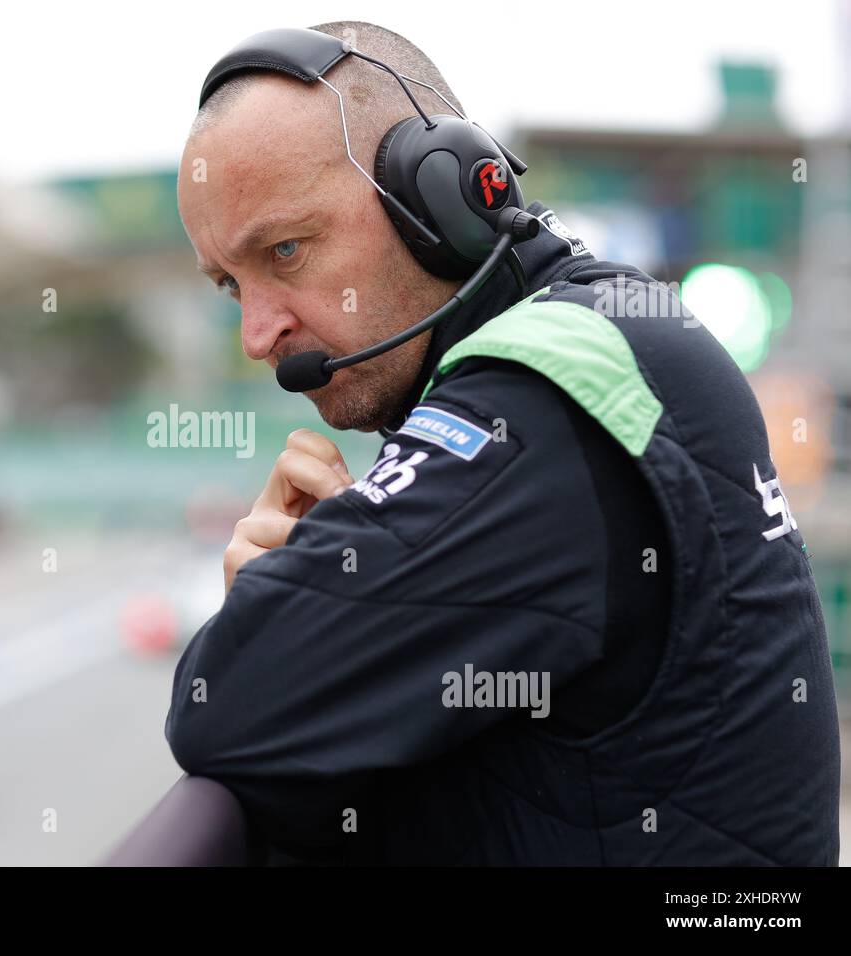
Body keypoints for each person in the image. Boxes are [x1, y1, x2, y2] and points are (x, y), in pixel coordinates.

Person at [164, 20, 841, 865]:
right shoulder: (610, 328)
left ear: (438, 197)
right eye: (231, 282)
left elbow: (226, 705)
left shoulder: (556, 380)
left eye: (288, 249)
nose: (257, 335)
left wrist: (278, 599)